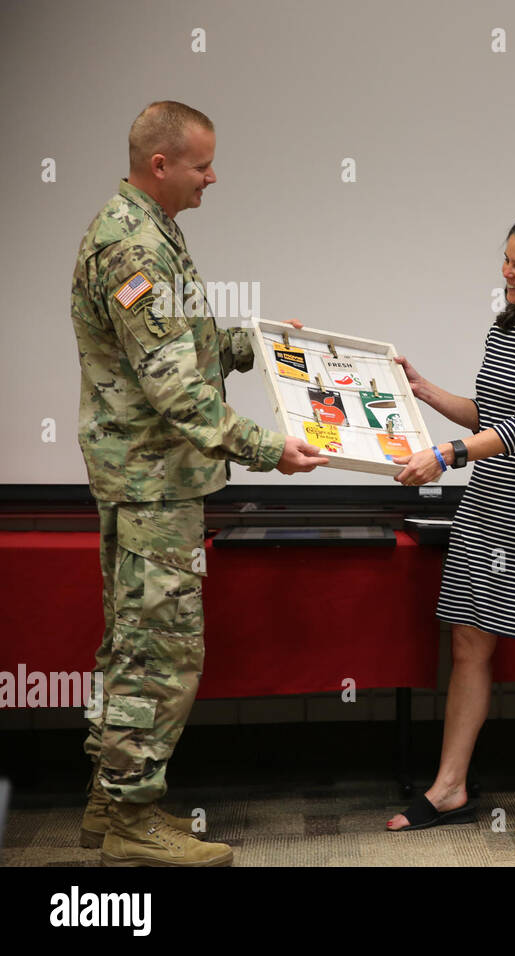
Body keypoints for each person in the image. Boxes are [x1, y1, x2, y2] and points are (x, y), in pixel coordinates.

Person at [71, 101, 328, 866]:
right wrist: (265, 447)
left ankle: (110, 803)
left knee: (132, 647)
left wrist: (260, 345)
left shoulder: (147, 231)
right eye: (201, 165)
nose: (213, 177)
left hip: (151, 481)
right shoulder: (132, 248)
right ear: (161, 165)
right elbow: (175, 389)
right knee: (161, 653)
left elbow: (185, 339)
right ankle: (129, 821)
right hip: (151, 484)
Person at [386, 214, 515, 837]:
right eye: (505, 261)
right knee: (469, 646)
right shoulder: (505, 329)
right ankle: (449, 786)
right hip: (487, 508)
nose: (506, 274)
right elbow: (489, 409)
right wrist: (424, 390)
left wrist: (447, 455)